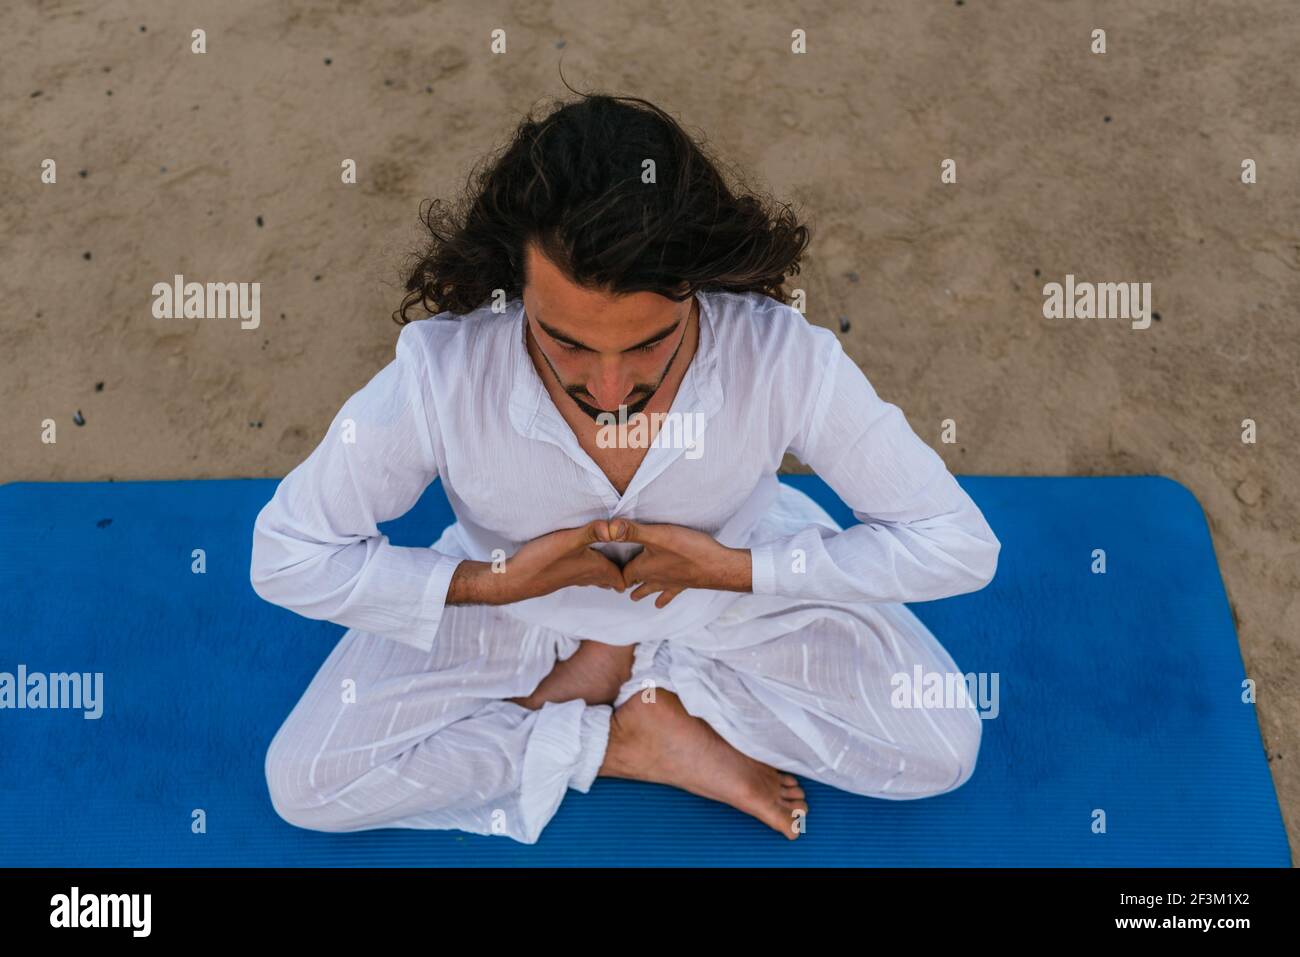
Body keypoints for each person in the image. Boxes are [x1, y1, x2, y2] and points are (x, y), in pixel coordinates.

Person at [250, 92, 1001, 845]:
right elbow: (285, 552)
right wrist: (499, 584)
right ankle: (621, 739)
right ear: (514, 287)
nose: (609, 392)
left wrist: (736, 569)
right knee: (308, 782)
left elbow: (956, 542)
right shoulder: (443, 371)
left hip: (726, 606)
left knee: (940, 749)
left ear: (697, 288)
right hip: (516, 611)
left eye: (648, 344)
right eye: (567, 342)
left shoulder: (781, 357)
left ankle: (643, 676)